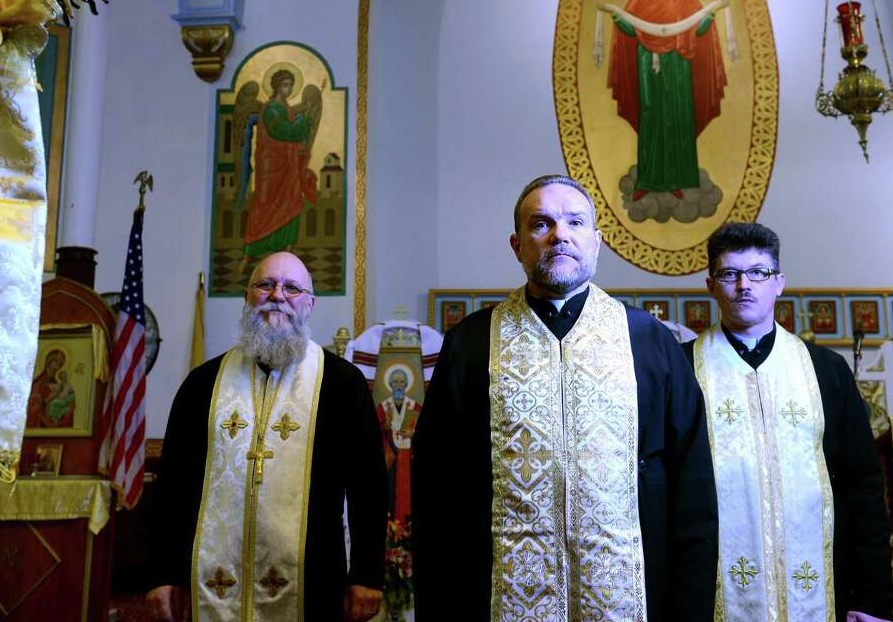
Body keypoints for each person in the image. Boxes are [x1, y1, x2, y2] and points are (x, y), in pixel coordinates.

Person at [413, 175, 718, 621]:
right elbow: (437, 489)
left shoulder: (650, 343)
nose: (560, 235)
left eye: (575, 222)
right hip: (495, 596)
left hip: (633, 597)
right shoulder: (471, 344)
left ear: (596, 242)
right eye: (542, 224)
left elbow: (692, 485)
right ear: (517, 245)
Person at [146, 252, 385, 622]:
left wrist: (368, 574)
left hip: (313, 587)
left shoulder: (342, 384)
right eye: (265, 284)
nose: (278, 295)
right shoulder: (202, 385)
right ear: (247, 297)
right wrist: (163, 573)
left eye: (292, 287)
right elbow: (174, 486)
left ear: (309, 304)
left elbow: (367, 485)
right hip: (212, 589)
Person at [687, 222, 893, 621]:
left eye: (758, 273)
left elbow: (863, 487)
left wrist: (871, 598)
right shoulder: (681, 369)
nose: (744, 285)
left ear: (779, 282)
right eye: (730, 274)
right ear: (711, 285)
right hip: (708, 595)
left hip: (823, 590)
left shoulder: (826, 370)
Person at [599, 0, 728, 200]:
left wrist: (711, 15)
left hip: (678, 63)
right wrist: (616, 18)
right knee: (651, 116)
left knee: (678, 116)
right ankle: (649, 180)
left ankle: (677, 179)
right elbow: (632, 29)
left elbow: (697, 29)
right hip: (648, 62)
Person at [241, 70, 318, 260]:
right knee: (266, 202)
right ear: (276, 86)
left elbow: (291, 121)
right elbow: (285, 131)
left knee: (290, 198)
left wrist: (303, 113)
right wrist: (304, 120)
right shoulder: (270, 109)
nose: (289, 89)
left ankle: (286, 249)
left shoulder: (284, 107)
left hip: (287, 165)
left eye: (291, 85)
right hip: (271, 165)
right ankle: (255, 247)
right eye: (285, 85)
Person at [375, 366, 420, 525]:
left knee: (411, 495)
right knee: (390, 495)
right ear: (390, 384)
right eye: (395, 382)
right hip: (391, 460)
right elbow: (372, 435)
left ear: (407, 384)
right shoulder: (383, 407)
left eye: (402, 381)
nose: (399, 385)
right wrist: (384, 428)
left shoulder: (415, 407)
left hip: (410, 460)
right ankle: (392, 532)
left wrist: (414, 434)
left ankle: (408, 532)